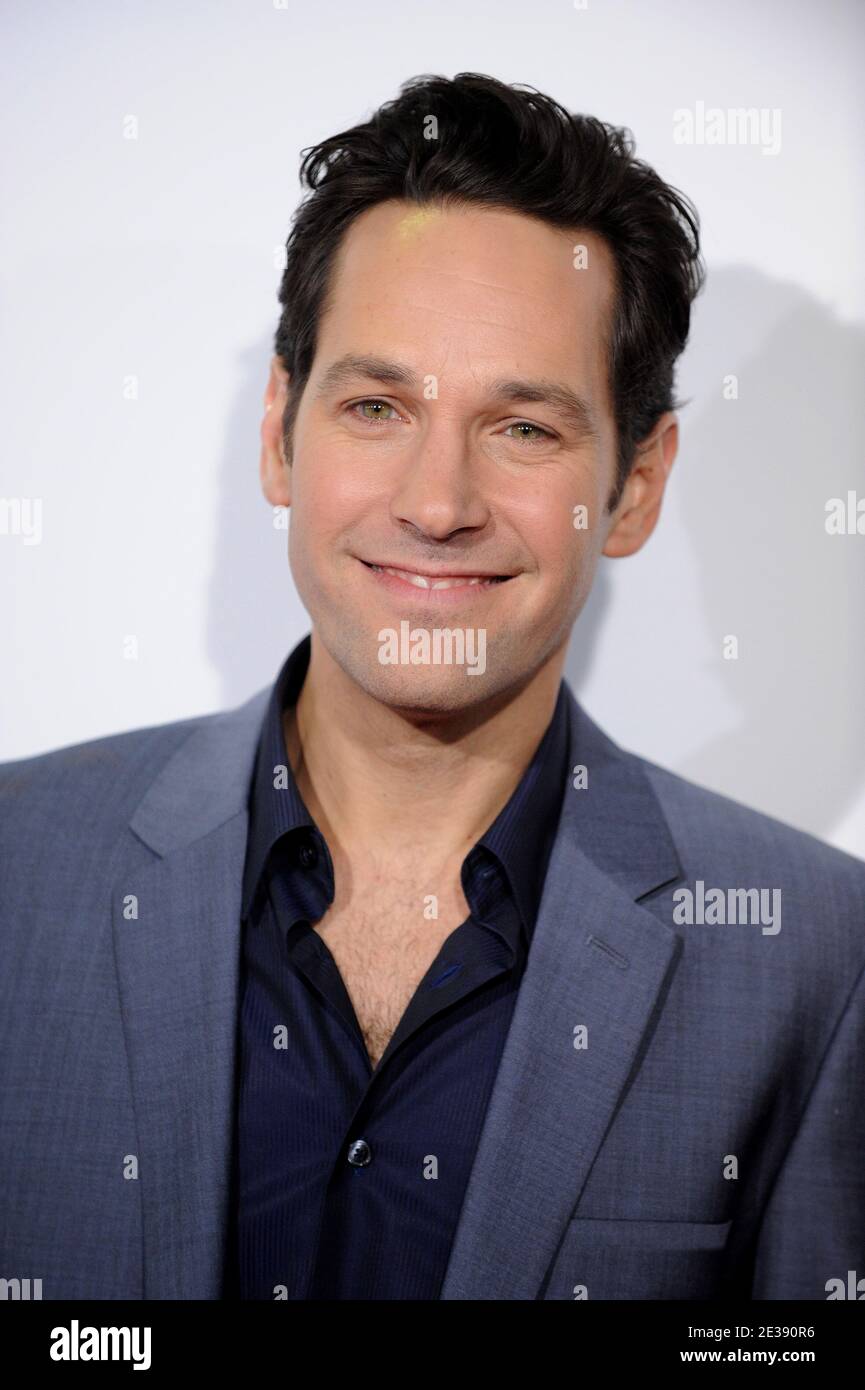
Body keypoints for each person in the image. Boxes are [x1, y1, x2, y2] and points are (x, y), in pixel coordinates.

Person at [2, 72, 863, 1302]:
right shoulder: (16, 867)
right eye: (375, 405)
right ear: (277, 431)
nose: (437, 502)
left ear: (633, 486)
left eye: (523, 428)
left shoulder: (818, 960)